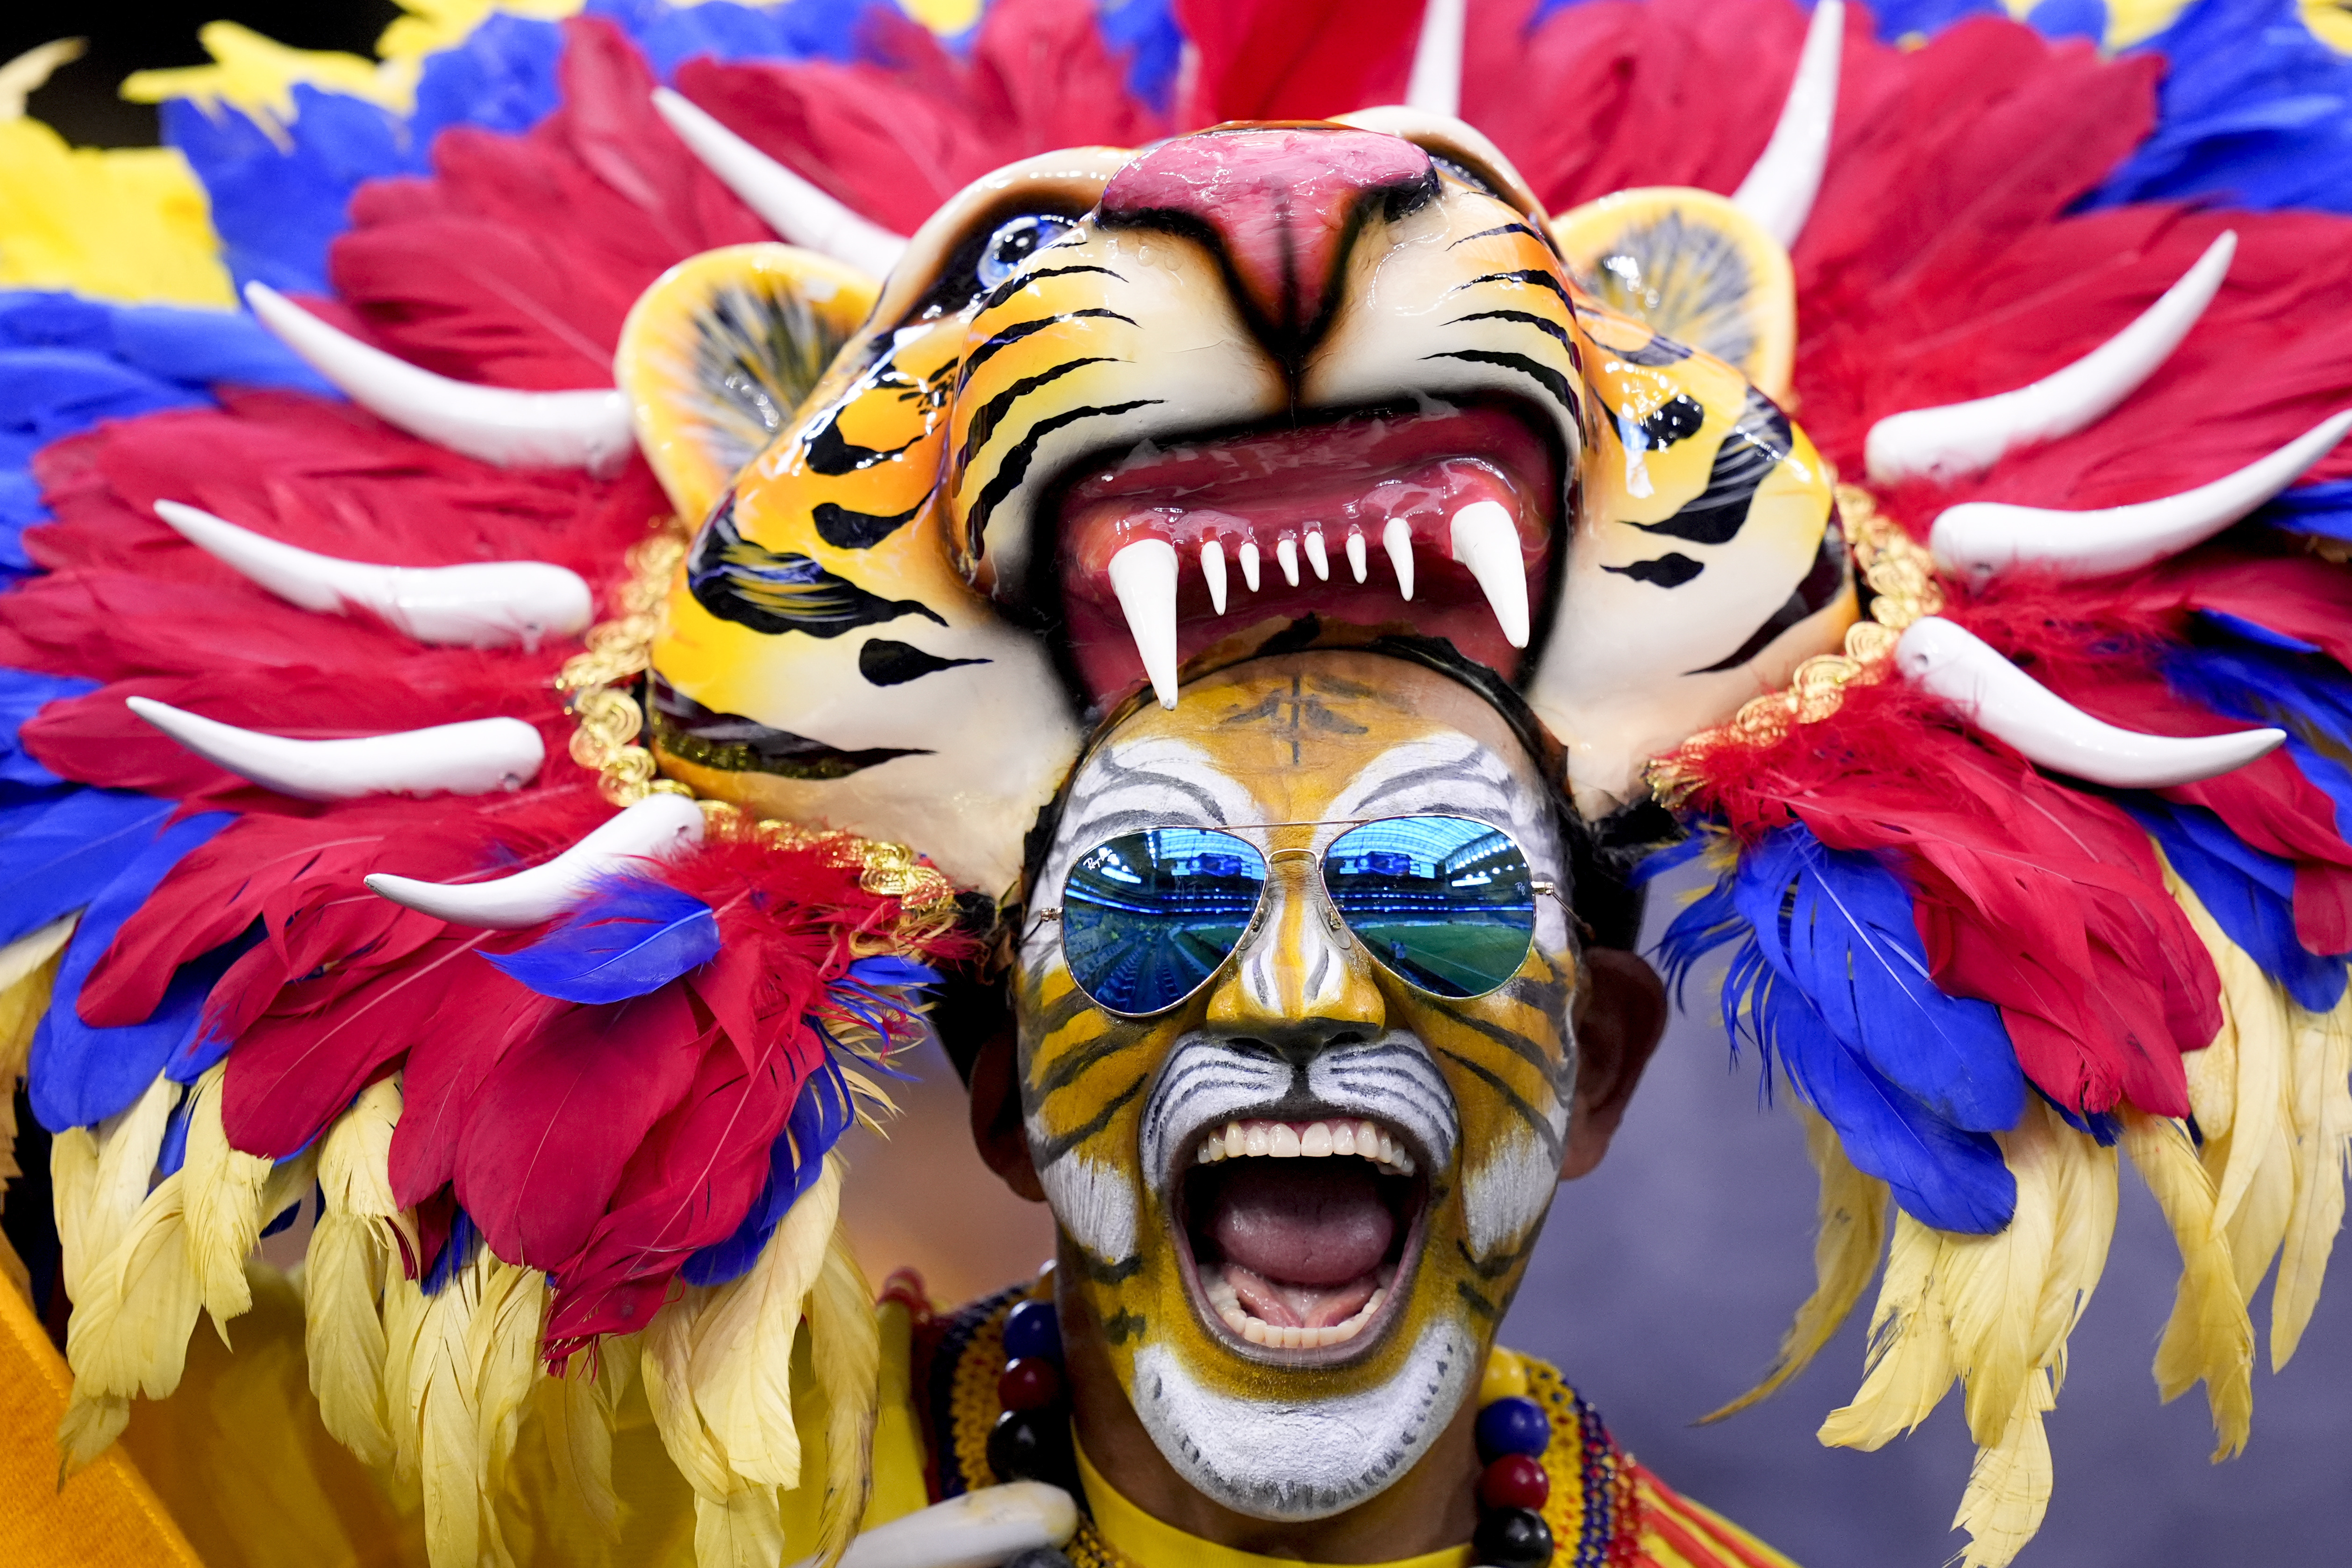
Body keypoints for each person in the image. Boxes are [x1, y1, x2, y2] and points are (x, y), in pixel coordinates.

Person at [3, 3, 2350, 1566]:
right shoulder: (586, 1515)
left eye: (1434, 892)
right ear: (1012, 1096)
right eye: (1149, 905)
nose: (1300, 1000)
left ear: (1599, 1064)